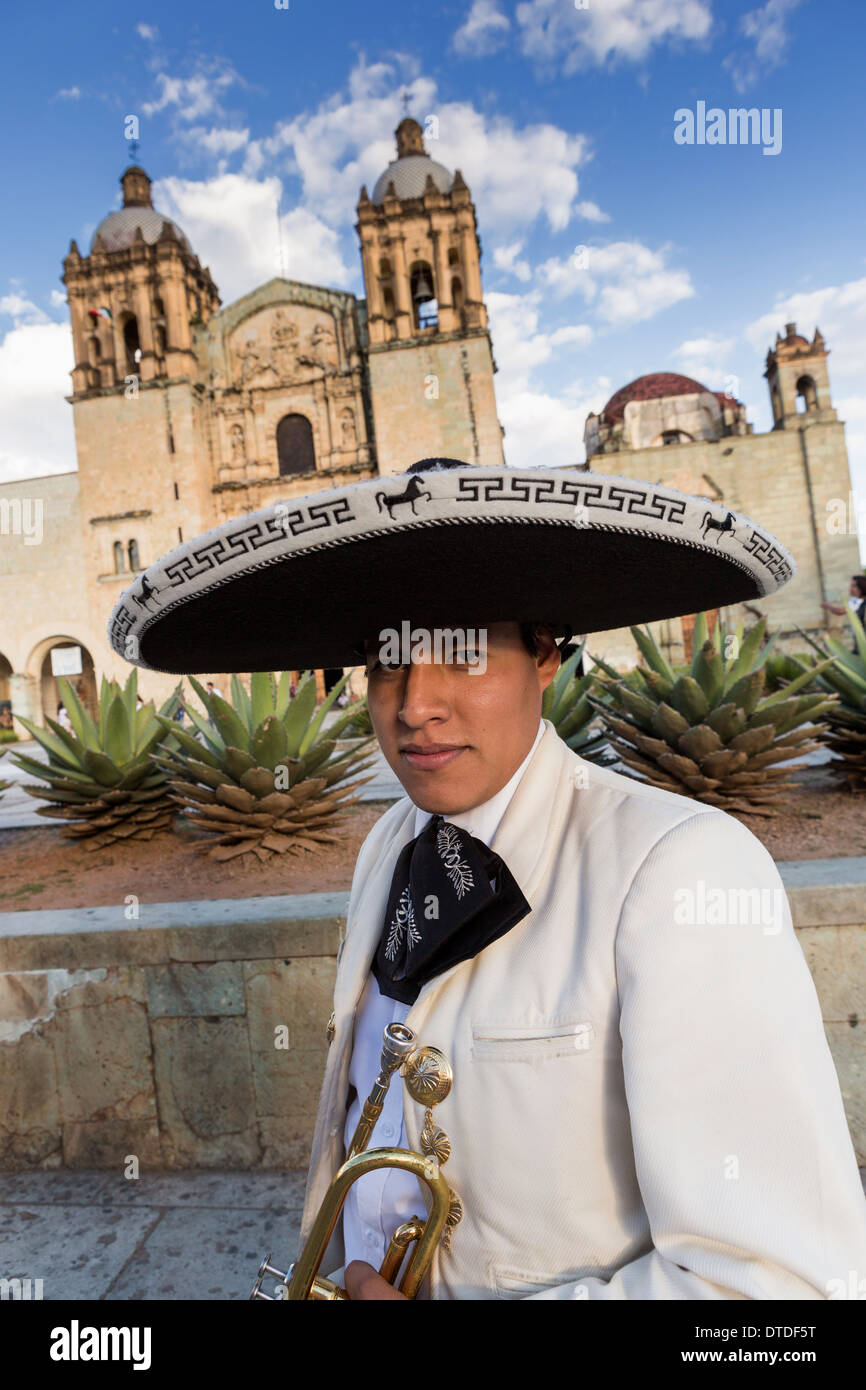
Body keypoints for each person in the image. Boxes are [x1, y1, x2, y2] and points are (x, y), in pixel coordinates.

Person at [108, 455, 866, 1301]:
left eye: (463, 657)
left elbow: (782, 1287)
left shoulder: (680, 869)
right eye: (390, 664)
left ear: (545, 658)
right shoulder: (390, 843)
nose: (414, 705)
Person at [821, 574, 866, 651]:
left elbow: (841, 611)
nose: (850, 588)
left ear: (861, 588)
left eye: (853, 586)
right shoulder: (856, 600)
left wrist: (828, 606)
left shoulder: (857, 601)